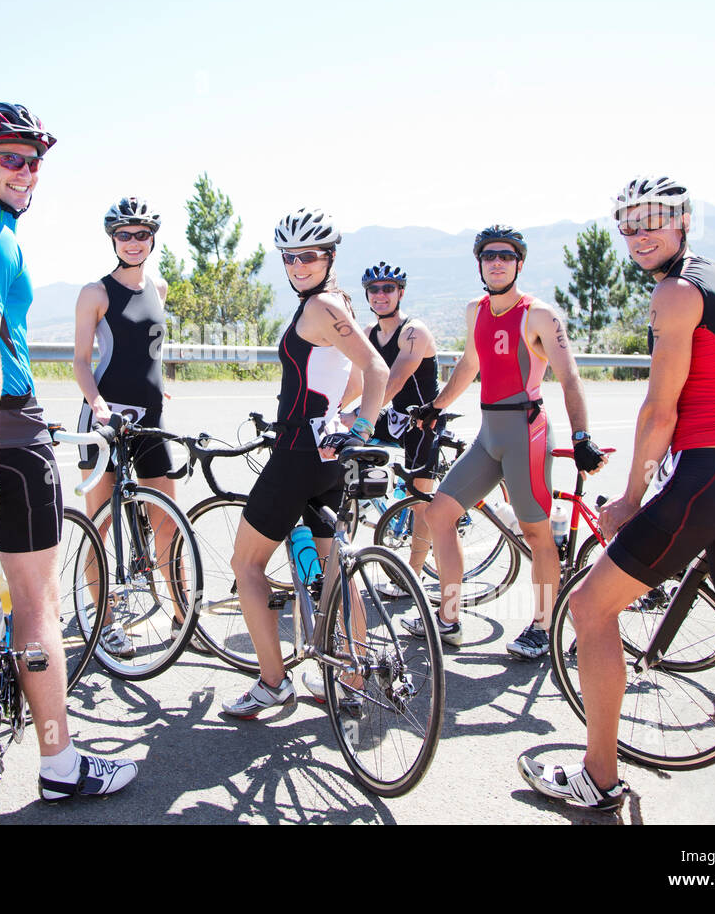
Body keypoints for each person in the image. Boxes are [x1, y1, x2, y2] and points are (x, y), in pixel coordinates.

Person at [518, 176, 715, 822]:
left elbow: (660, 409)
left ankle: (598, 777)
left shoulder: (674, 293)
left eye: (654, 218)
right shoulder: (713, 277)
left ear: (684, 220)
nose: (639, 232)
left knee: (589, 609)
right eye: (627, 222)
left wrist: (631, 498)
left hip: (707, 474)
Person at [0, 102, 137, 801]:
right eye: (11, 158)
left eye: (35, 160)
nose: (27, 172)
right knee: (37, 605)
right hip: (5, 435)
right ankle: (61, 763)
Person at [221, 208, 389, 716]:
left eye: (308, 256)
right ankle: (352, 679)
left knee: (245, 564)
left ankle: (273, 683)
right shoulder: (341, 306)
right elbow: (352, 382)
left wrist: (360, 429)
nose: (297, 265)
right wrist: (340, 425)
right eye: (289, 257)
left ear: (329, 257)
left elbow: (375, 369)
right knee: (336, 572)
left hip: (297, 452)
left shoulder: (318, 307)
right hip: (326, 456)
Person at [410, 225, 606, 659]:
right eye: (489, 255)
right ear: (479, 263)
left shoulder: (539, 315)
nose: (497, 262)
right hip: (489, 434)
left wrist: (581, 436)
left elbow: (569, 376)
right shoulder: (475, 310)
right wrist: (436, 407)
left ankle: (542, 625)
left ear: (519, 263)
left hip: (525, 432)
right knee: (440, 514)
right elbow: (469, 364)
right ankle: (449, 618)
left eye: (506, 255)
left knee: (537, 535)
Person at [73, 198, 178, 658]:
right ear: (112, 239)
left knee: (168, 522)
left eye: (141, 234)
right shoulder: (95, 293)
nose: (133, 242)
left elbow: (148, 348)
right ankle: (105, 622)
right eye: (124, 235)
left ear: (152, 238)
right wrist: (96, 404)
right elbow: (80, 362)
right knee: (102, 522)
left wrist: (158, 386)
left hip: (150, 418)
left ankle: (181, 609)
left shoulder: (160, 285)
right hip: (105, 415)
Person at [359, 261, 442, 593]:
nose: (381, 295)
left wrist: (363, 415)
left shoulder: (413, 331)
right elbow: (359, 378)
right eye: (374, 289)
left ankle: (414, 576)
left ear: (400, 293)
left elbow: (393, 381)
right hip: (393, 417)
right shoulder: (369, 333)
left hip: (423, 420)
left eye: (388, 288)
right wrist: (336, 409)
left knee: (421, 501)